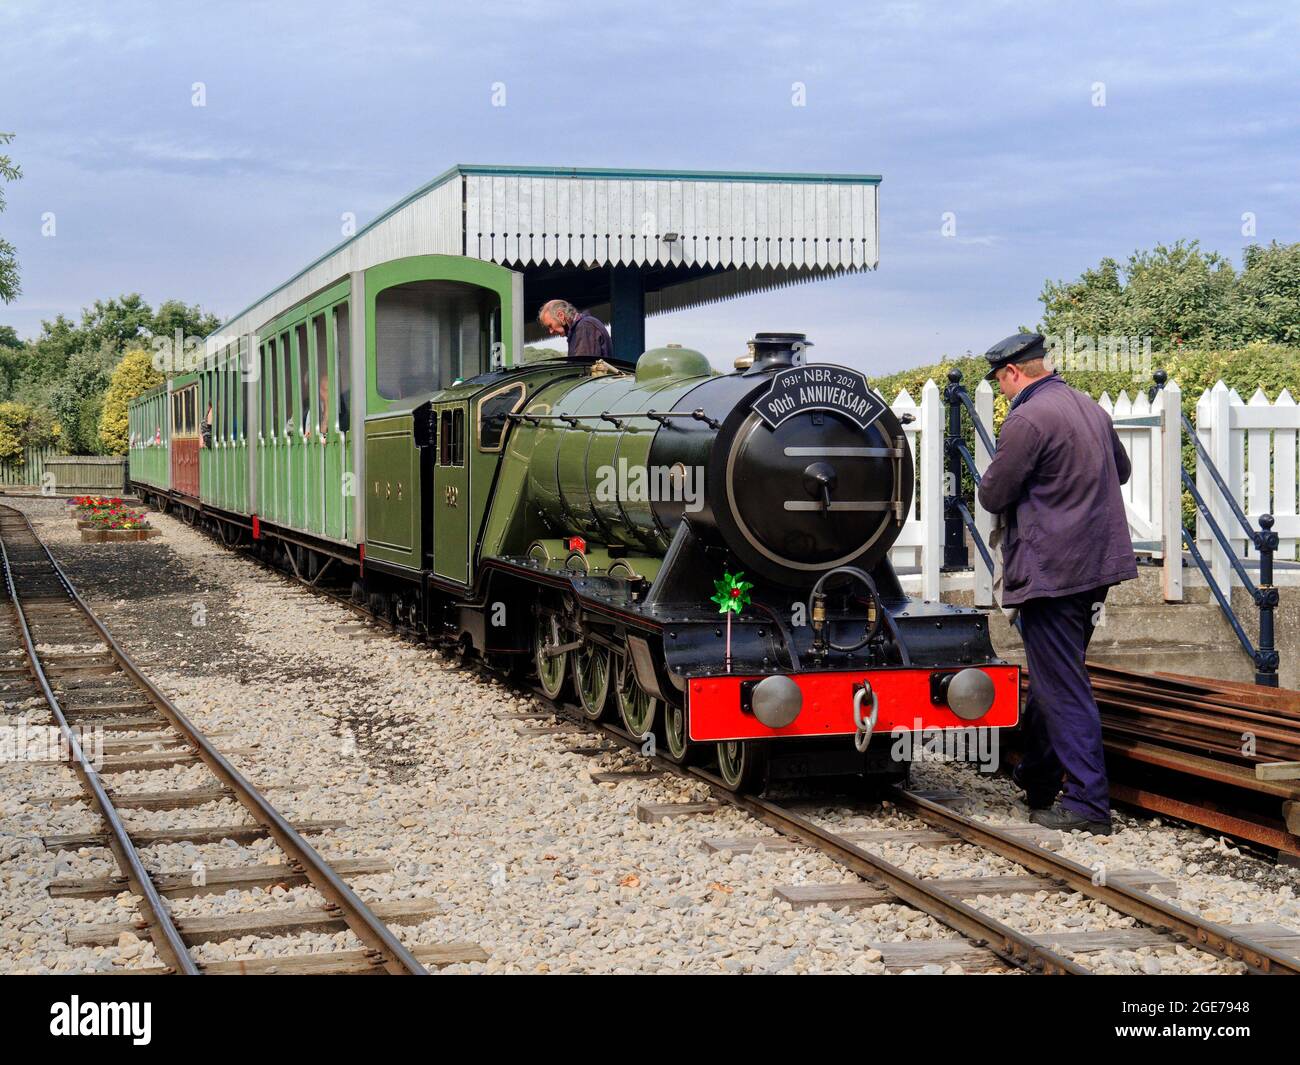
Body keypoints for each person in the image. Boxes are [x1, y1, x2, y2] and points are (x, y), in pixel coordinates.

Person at [977, 332, 1138, 835]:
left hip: (1052, 572)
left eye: (1001, 382)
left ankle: (1088, 805)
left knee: (1063, 684)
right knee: (1056, 675)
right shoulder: (1089, 407)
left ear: (1012, 373)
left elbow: (992, 493)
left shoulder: (1026, 418)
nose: (1003, 391)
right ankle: (1039, 777)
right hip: (1096, 566)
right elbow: (1123, 470)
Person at [538, 299, 612, 361]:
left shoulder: (585, 326)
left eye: (550, 325)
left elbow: (583, 368)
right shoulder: (578, 328)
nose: (551, 331)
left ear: (561, 315)